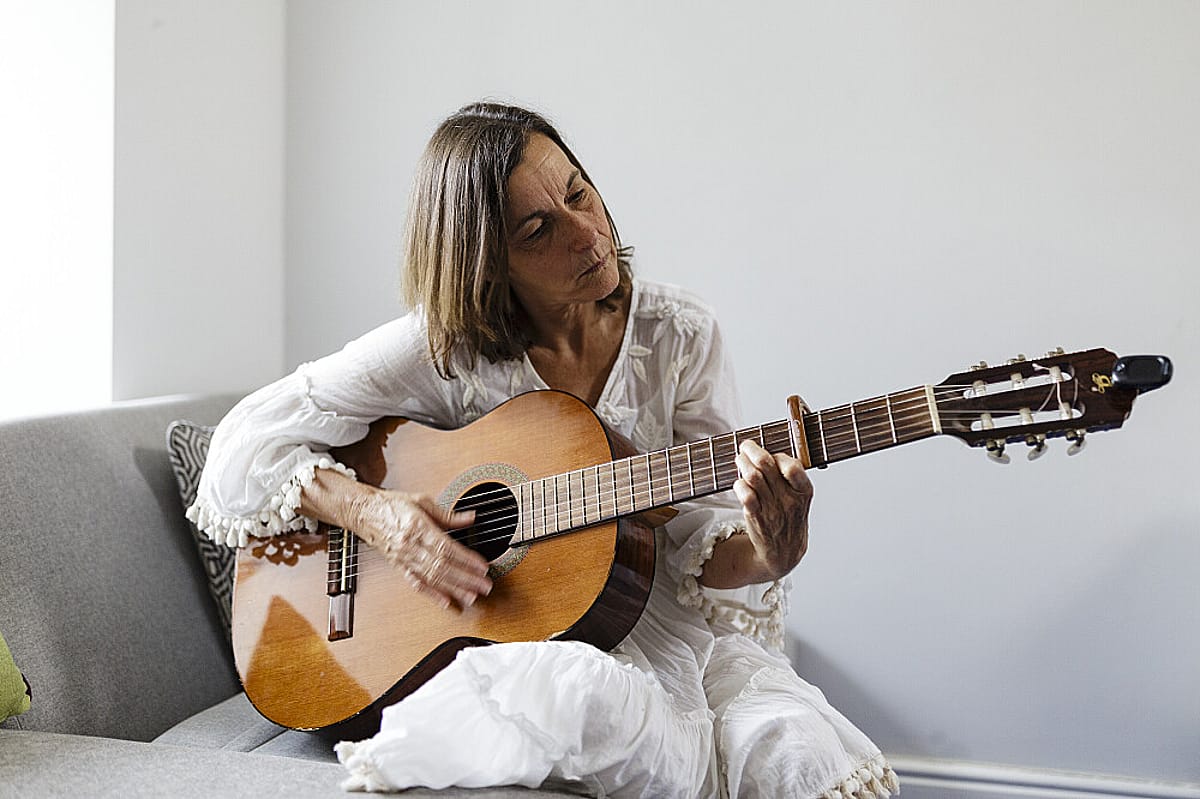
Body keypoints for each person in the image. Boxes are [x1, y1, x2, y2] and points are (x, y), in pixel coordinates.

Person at [188, 102, 898, 799]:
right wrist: (380, 519)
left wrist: (773, 549)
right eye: (538, 229)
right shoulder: (443, 348)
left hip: (659, 626)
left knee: (797, 743)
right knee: (585, 698)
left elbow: (693, 541)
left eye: (579, 193)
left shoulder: (679, 335)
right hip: (519, 641)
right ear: (486, 267)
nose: (587, 235)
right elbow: (244, 442)